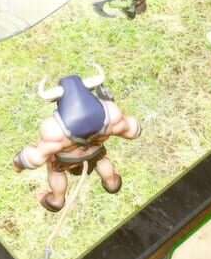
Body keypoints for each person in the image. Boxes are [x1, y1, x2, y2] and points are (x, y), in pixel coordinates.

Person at [14, 68, 141, 212]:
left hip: (66, 159)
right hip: (95, 152)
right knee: (101, 160)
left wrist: (19, 163)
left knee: (54, 168)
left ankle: (57, 200)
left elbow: (35, 158)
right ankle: (111, 183)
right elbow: (132, 130)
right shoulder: (111, 115)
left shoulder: (55, 130)